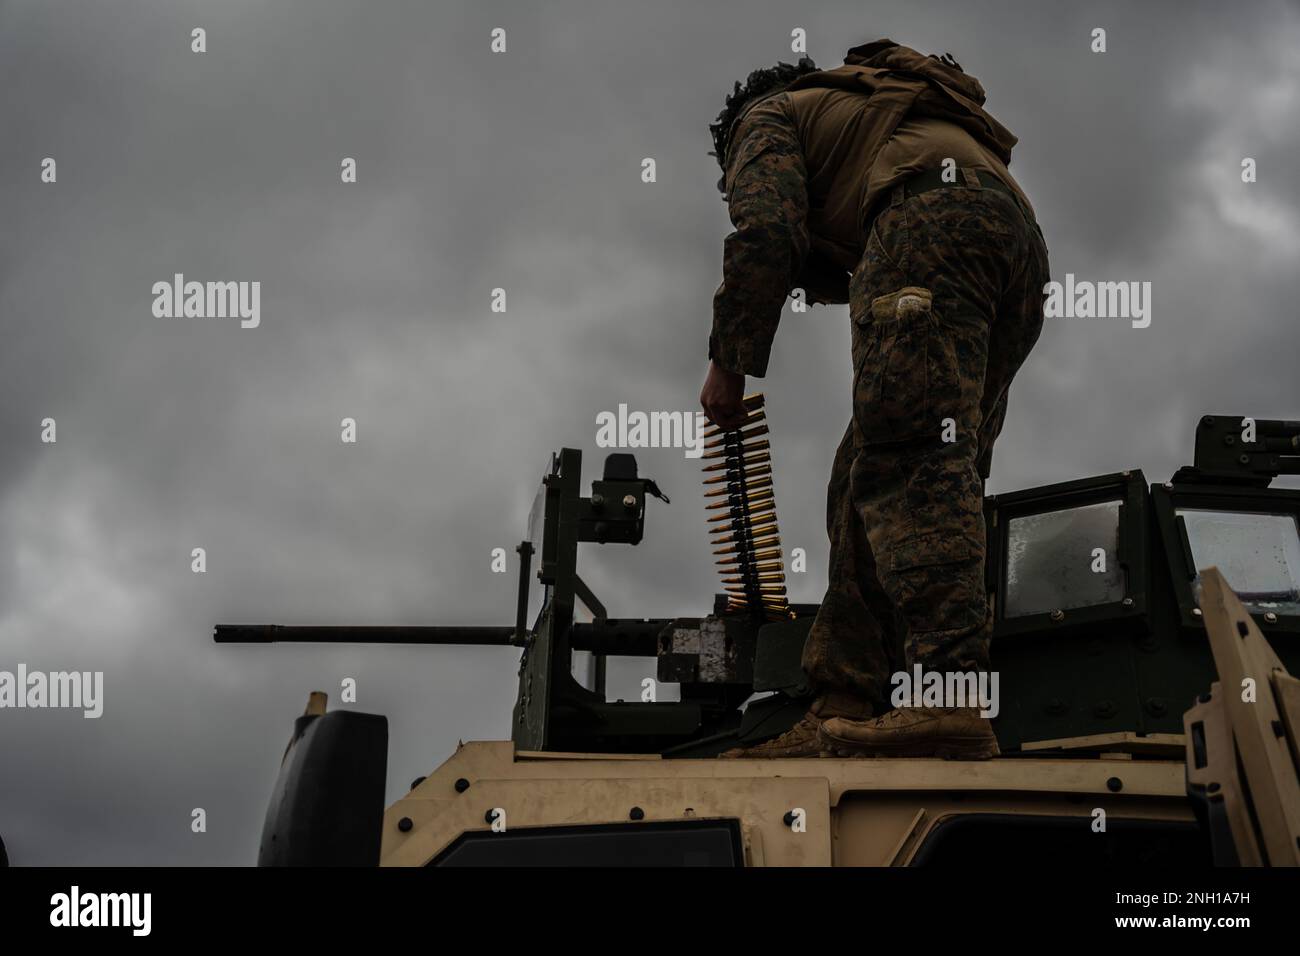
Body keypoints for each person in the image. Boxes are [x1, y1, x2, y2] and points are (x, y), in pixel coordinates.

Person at [699, 40, 1050, 758]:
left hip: (929, 224)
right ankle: (841, 703)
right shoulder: (871, 110)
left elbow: (767, 229)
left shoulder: (765, 119)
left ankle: (950, 696)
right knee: (870, 469)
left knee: (913, 463)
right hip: (1015, 247)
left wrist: (728, 368)